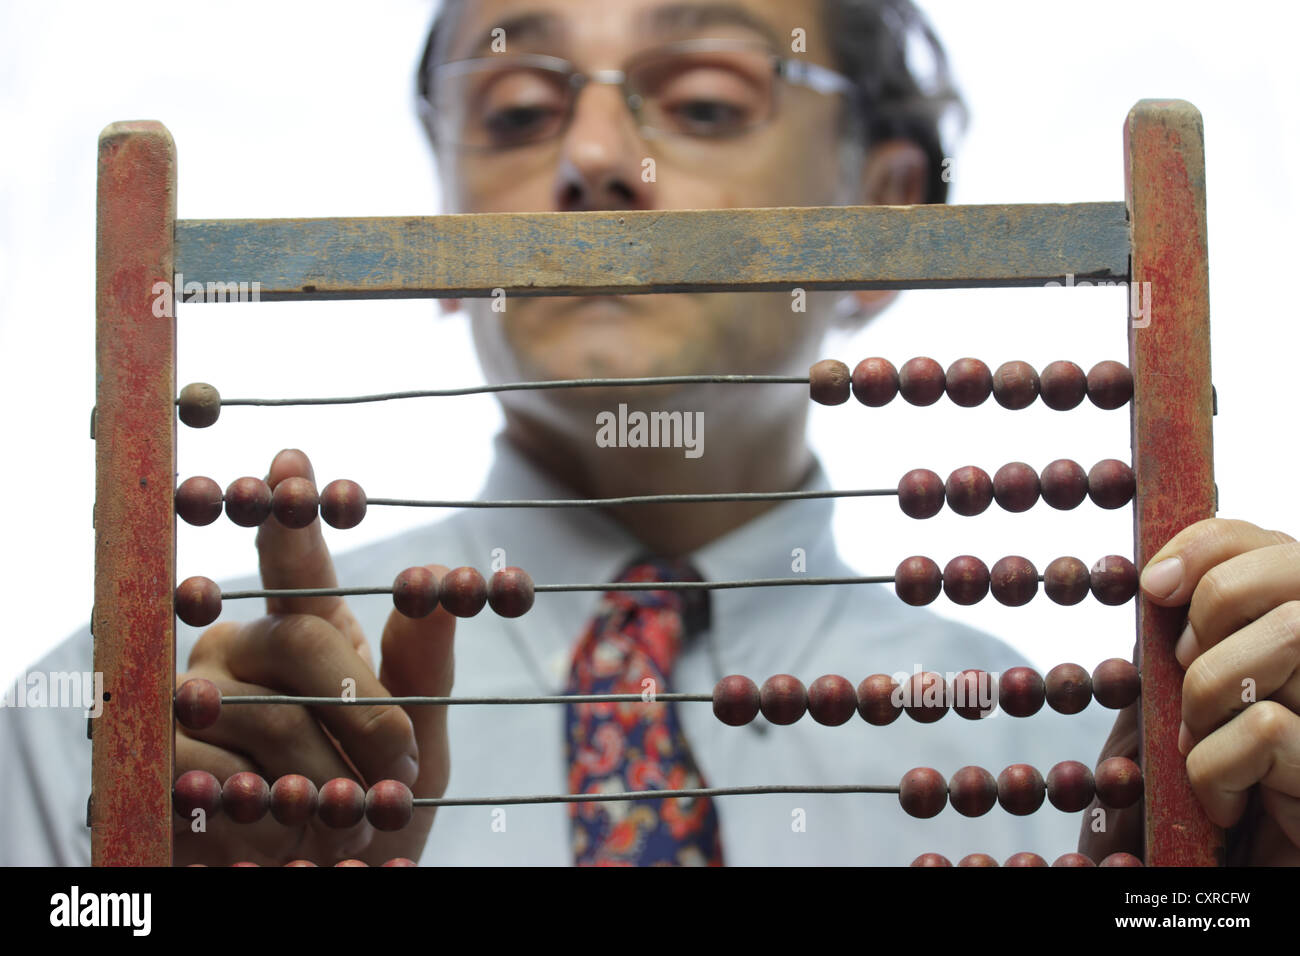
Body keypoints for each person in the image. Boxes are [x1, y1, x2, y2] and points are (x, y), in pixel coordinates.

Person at [3, 0, 1297, 867]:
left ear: (886, 208)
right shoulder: (158, 727)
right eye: (516, 111)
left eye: (709, 99)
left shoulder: (1130, 778)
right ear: (446, 219)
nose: (599, 157)